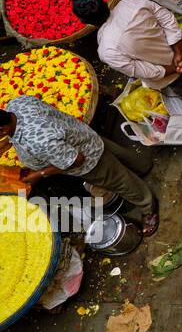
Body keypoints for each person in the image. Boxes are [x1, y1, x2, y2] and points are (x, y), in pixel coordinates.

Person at [0, 98, 158, 235]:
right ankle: (143, 167)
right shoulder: (16, 104)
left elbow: (76, 160)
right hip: (82, 135)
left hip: (90, 161)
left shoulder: (39, 142)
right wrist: (10, 141)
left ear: (2, 129)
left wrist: (39, 173)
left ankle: (147, 206)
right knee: (116, 154)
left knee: (121, 182)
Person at [72, 0, 182, 110]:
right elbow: (166, 18)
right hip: (179, 46)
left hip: (168, 71)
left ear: (85, 22)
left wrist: (175, 69)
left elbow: (141, 70)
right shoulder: (131, 2)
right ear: (104, 0)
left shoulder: (106, 50)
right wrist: (178, 53)